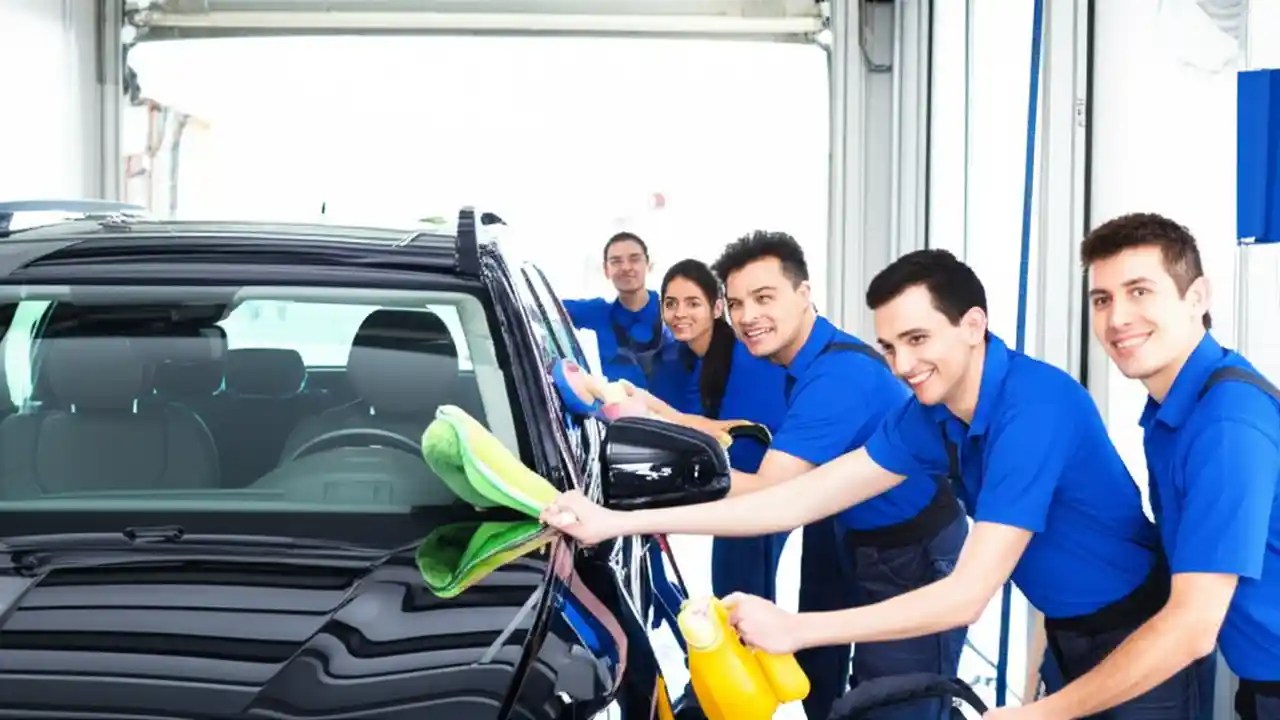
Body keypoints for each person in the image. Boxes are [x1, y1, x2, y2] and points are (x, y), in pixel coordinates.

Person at [543, 248, 1207, 720]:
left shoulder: (1035, 409)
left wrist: (800, 628)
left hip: (1137, 640)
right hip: (1066, 631)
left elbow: (965, 597)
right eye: (891, 347)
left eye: (918, 339)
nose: (904, 365)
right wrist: (614, 523)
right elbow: (793, 499)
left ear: (973, 326)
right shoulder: (931, 413)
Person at [571, 233, 971, 720]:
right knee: (823, 688)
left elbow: (769, 493)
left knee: (897, 703)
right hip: (842, 528)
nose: (747, 316)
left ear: (803, 295)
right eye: (737, 303)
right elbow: (726, 437)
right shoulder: (795, 362)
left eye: (765, 298)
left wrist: (629, 507)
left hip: (910, 550)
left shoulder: (837, 378)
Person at [986, 213, 1278, 720]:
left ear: (1197, 297)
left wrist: (1042, 713)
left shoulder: (1227, 422)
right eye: (1103, 299)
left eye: (1140, 292)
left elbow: (1192, 627)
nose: (1117, 318)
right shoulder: (1174, 413)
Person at [647, 258, 791, 604]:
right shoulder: (673, 360)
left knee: (740, 594)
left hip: (764, 487)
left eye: (692, 303)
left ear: (716, 307)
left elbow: (748, 438)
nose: (680, 313)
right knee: (728, 589)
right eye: (671, 304)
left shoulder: (747, 358)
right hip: (731, 488)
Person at [562, 231, 672, 388]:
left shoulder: (674, 313)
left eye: (634, 259)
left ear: (648, 264)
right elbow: (540, 306)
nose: (626, 267)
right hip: (620, 410)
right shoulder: (597, 313)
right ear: (606, 270)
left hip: (673, 411)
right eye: (616, 262)